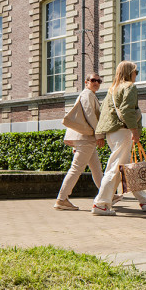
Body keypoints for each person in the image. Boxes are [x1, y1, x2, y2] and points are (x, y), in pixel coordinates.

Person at [91, 60, 146, 216]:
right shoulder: (130, 87)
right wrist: (134, 130)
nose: (136, 74)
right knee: (114, 168)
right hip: (123, 131)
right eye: (136, 71)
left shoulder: (111, 90)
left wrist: (100, 134)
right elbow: (127, 110)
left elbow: (103, 115)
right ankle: (100, 204)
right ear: (130, 72)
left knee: (124, 168)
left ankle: (144, 200)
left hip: (112, 133)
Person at [54, 73, 107, 210]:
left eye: (99, 81)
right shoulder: (87, 94)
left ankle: (107, 195)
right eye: (93, 80)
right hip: (86, 138)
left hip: (85, 138)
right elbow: (90, 115)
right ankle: (61, 199)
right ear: (86, 82)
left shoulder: (89, 95)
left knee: (96, 169)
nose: (96, 83)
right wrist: (99, 135)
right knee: (76, 169)